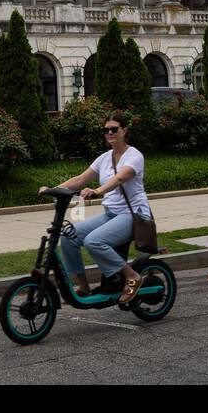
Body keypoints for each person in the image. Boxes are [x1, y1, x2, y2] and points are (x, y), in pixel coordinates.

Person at [39, 111, 151, 303]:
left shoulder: (134, 156)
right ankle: (82, 285)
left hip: (133, 216)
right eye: (106, 130)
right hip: (111, 214)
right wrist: (53, 189)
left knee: (93, 241)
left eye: (114, 129)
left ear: (124, 130)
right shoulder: (105, 158)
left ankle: (131, 275)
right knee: (68, 235)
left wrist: (98, 191)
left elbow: (120, 178)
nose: (110, 133)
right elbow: (80, 179)